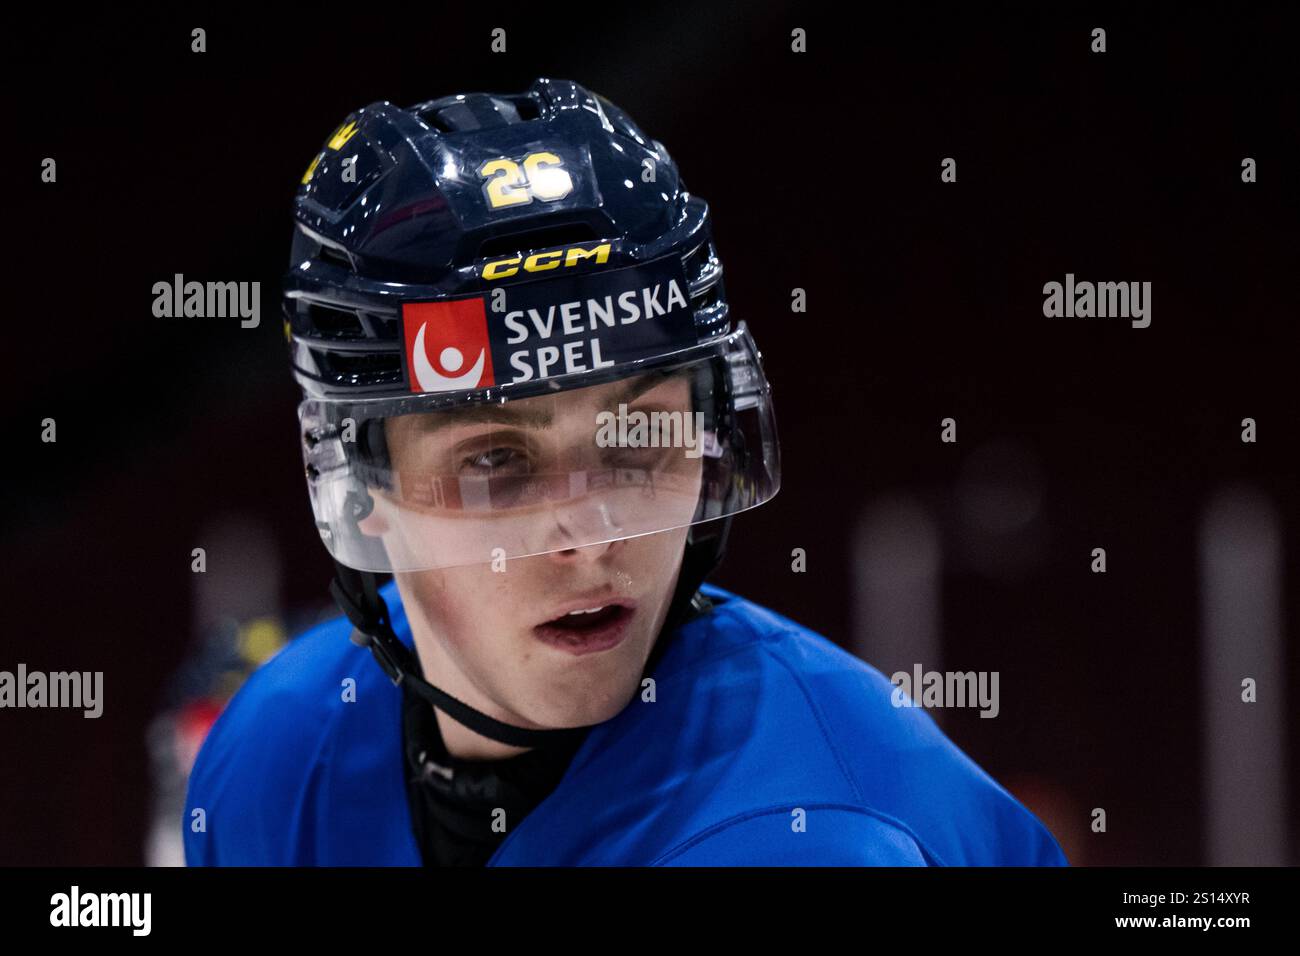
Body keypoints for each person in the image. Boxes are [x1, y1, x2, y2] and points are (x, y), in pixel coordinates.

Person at [183, 78, 1068, 866]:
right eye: (497, 461)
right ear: (361, 488)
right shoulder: (273, 754)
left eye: (638, 439)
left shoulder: (812, 837)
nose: (593, 531)